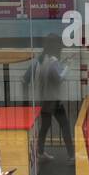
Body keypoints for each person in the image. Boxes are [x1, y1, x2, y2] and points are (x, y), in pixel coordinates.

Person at [25, 34, 73, 164]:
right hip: (54, 100)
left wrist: (62, 63)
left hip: (44, 100)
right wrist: (68, 66)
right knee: (65, 125)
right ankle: (71, 155)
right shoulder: (53, 62)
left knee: (45, 126)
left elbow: (49, 73)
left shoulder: (41, 60)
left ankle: (40, 152)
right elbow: (59, 78)